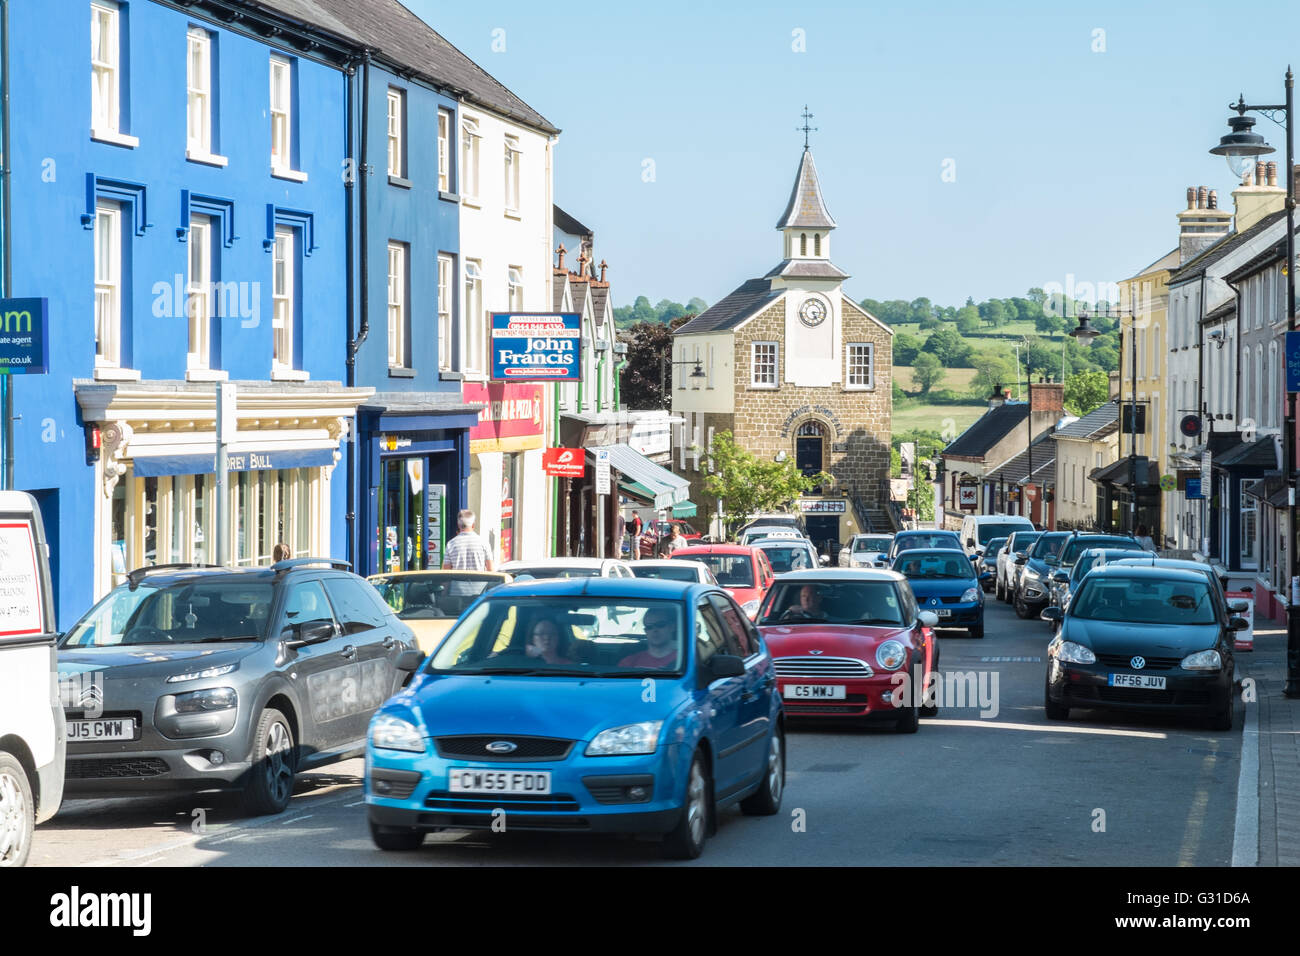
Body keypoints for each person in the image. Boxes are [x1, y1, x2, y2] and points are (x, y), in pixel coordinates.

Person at [443, 509, 494, 597]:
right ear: (473, 525)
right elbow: (490, 570)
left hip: (457, 592)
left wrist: (443, 594)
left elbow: (446, 573)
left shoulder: (451, 544)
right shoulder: (483, 542)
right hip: (479, 592)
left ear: (458, 525)